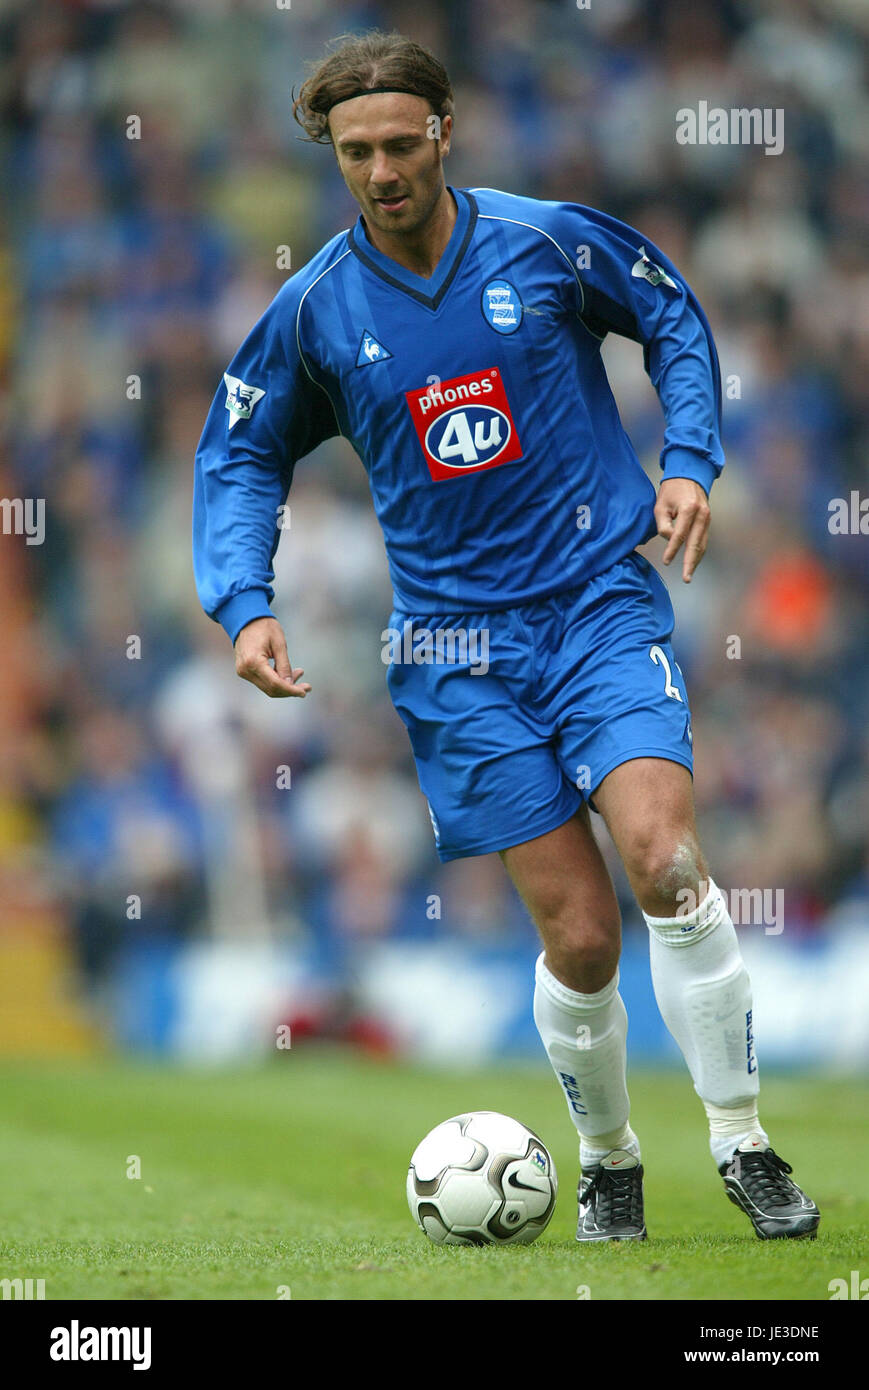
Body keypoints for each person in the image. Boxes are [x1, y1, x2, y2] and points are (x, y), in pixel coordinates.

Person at [193, 30, 819, 1242]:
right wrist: (244, 600)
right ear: (333, 155)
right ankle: (606, 1159)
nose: (379, 171)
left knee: (664, 861)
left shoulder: (543, 240)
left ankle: (740, 1142)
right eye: (353, 152)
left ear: (443, 128)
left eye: (397, 143)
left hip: (595, 602)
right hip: (450, 655)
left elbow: (674, 319)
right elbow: (239, 454)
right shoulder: (315, 309)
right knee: (580, 940)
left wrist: (686, 462)